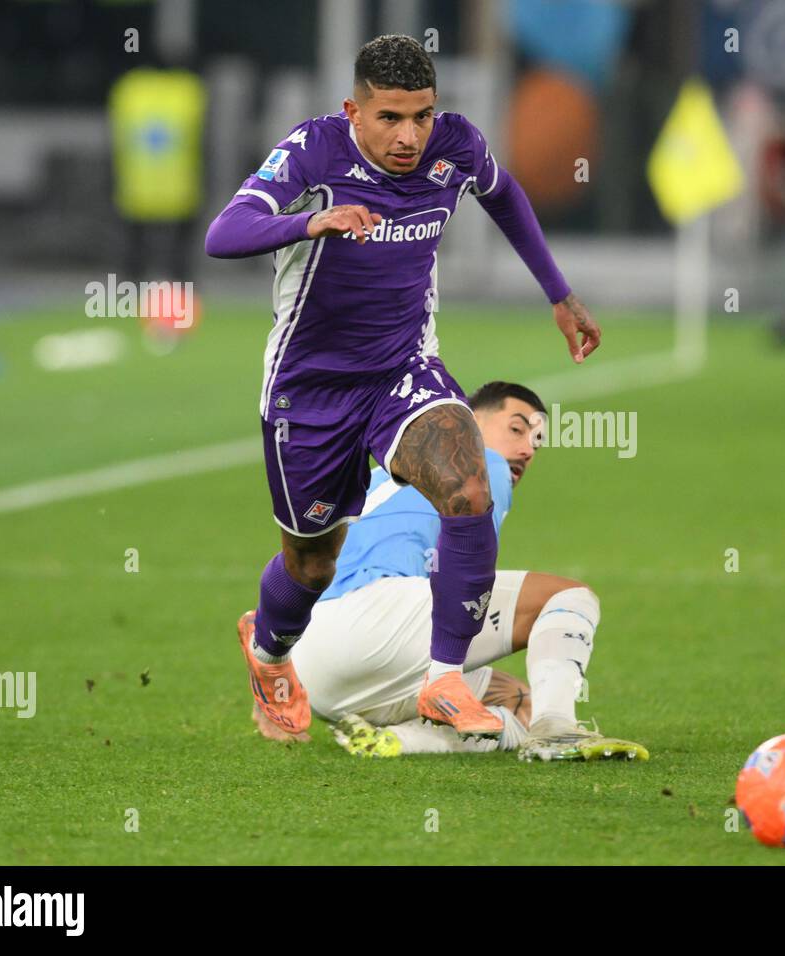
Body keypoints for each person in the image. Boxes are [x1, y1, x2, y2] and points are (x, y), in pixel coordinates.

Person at [205, 35, 601, 740]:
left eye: (421, 115)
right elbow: (224, 233)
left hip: (402, 369)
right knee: (311, 560)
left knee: (468, 489)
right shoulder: (313, 150)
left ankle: (443, 678)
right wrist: (310, 220)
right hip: (311, 390)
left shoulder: (456, 146)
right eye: (390, 117)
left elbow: (504, 194)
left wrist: (559, 295)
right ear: (354, 110)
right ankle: (267, 652)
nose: (409, 135)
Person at [239, 381, 646, 762]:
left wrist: (271, 688)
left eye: (537, 441)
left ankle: (397, 741)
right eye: (517, 429)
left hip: (314, 674)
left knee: (520, 702)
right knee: (567, 597)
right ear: (467, 423)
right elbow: (468, 578)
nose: (526, 450)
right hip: (374, 621)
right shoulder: (481, 465)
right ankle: (558, 731)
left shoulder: (385, 471)